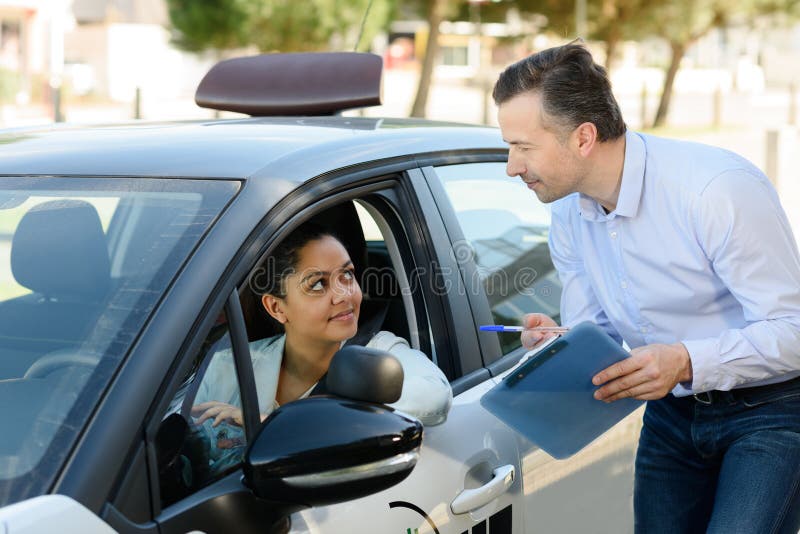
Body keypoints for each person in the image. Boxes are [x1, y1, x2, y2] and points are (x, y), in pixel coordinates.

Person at [494, 41, 800, 533]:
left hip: (769, 413)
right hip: (670, 417)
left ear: (584, 137)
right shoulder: (568, 213)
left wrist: (684, 361)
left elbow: (794, 330)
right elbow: (596, 331)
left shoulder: (716, 190)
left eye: (523, 147)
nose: (512, 166)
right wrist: (562, 342)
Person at [192, 221, 452, 436]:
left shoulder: (380, 352)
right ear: (276, 307)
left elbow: (435, 398)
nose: (344, 295)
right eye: (318, 285)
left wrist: (272, 424)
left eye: (347, 275)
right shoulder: (229, 366)